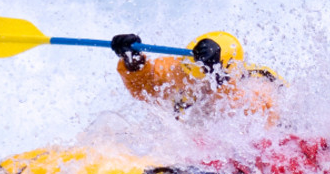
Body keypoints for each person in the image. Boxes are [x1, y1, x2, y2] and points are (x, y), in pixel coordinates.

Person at [110, 30, 281, 120]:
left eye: (205, 79)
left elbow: (258, 113)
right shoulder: (186, 68)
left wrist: (218, 77)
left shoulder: (257, 81)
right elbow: (147, 86)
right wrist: (134, 63)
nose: (194, 83)